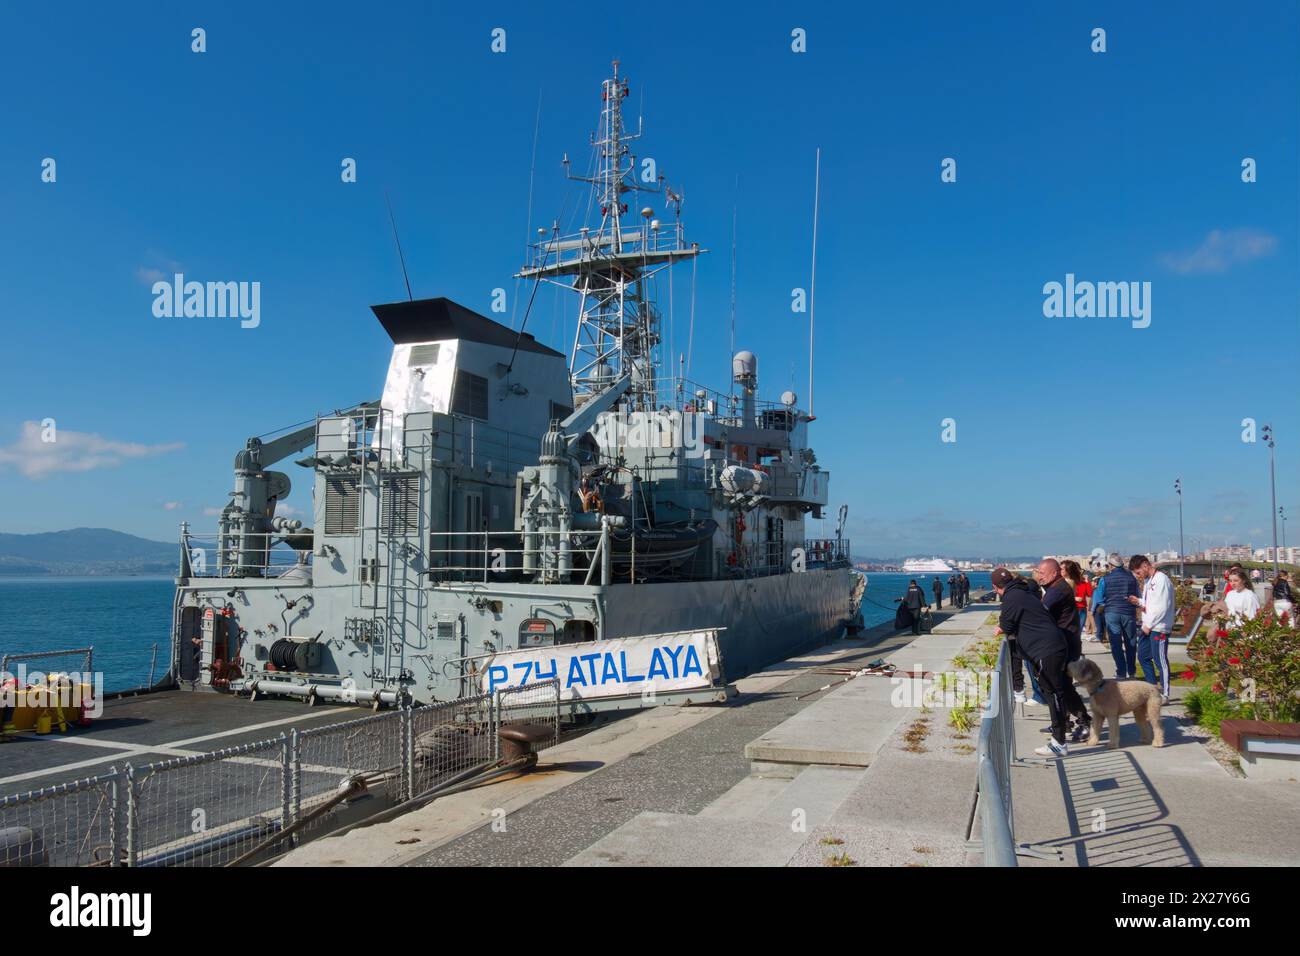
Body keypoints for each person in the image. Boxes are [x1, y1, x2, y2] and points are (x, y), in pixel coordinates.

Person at [992, 567, 1083, 757]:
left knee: (1054, 693)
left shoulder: (1011, 597)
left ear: (996, 587)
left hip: (1045, 650)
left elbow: (1007, 624)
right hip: (1052, 645)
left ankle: (1059, 741)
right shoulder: (1023, 591)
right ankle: (1063, 732)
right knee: (1056, 692)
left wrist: (1001, 627)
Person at [1128, 554, 1175, 703]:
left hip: (1159, 627)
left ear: (1145, 565)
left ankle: (1165, 694)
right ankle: (1152, 688)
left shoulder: (1161, 580)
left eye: (1138, 572)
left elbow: (1162, 606)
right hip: (1148, 625)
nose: (1138, 576)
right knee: (1143, 656)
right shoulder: (1149, 581)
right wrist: (1140, 601)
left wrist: (1149, 625)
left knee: (1160, 660)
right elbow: (1152, 603)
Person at [1101, 552, 1140, 678]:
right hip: (1129, 613)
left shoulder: (1105, 579)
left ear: (1111, 565)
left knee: (1116, 643)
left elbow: (1099, 598)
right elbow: (1138, 596)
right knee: (1131, 642)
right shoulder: (1132, 578)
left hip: (1112, 612)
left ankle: (1121, 672)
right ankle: (1132, 671)